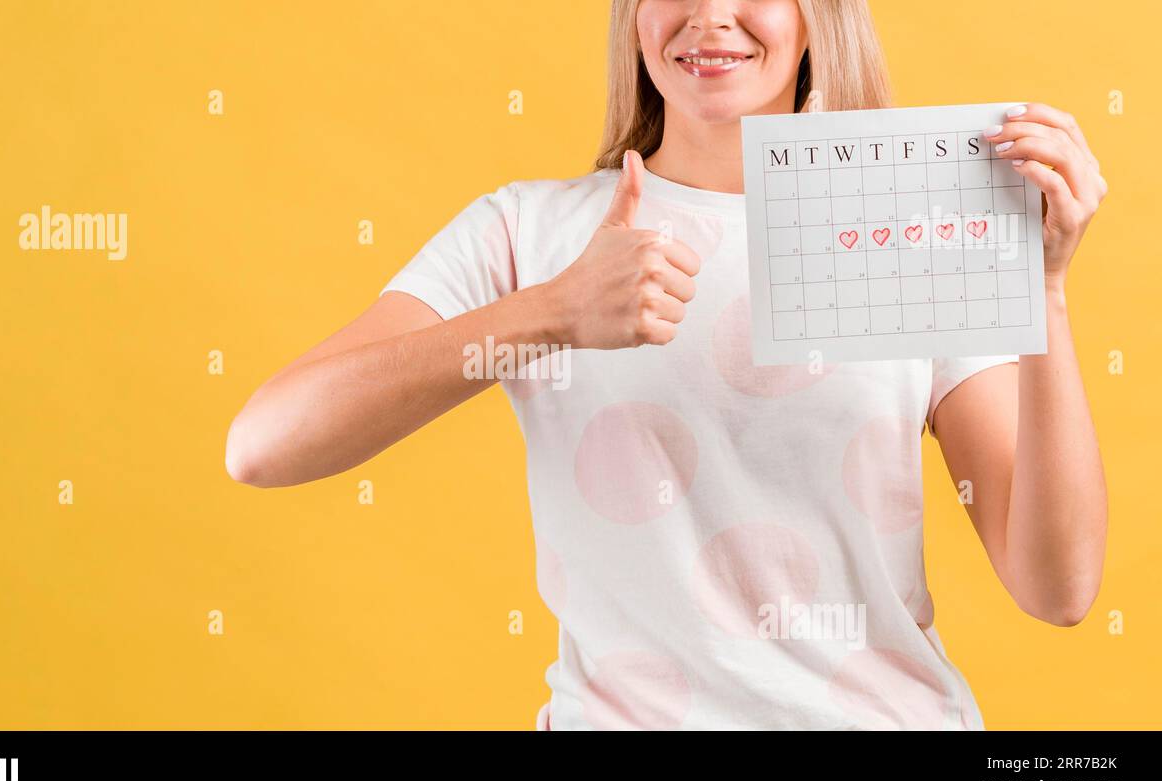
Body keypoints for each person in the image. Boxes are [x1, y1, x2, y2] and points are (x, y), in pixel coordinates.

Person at [225, 0, 1108, 730]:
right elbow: (264, 443)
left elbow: (1059, 585)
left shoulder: (909, 226)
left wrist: (1049, 293)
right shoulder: (530, 234)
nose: (710, 17)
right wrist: (550, 314)